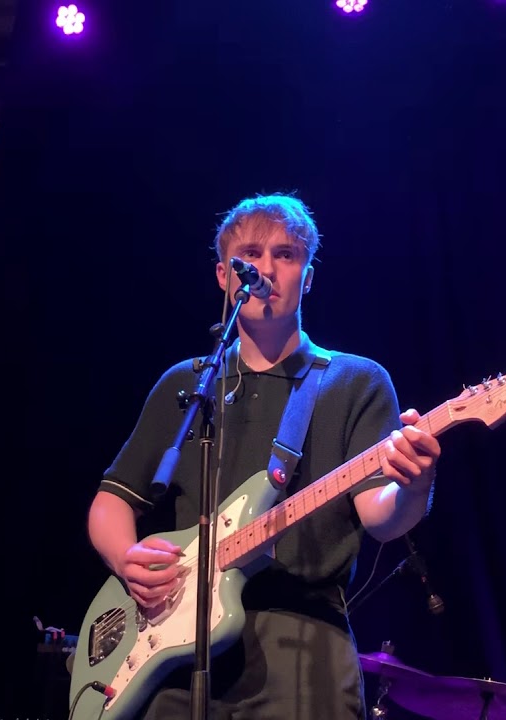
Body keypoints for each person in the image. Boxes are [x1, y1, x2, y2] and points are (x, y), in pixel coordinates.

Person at [86, 192, 441, 719]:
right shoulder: (186, 384)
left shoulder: (356, 381)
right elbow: (111, 501)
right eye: (249, 255)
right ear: (224, 277)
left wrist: (415, 483)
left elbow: (381, 519)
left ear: (309, 277)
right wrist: (126, 560)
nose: (265, 269)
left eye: (286, 254)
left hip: (300, 642)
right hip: (174, 650)